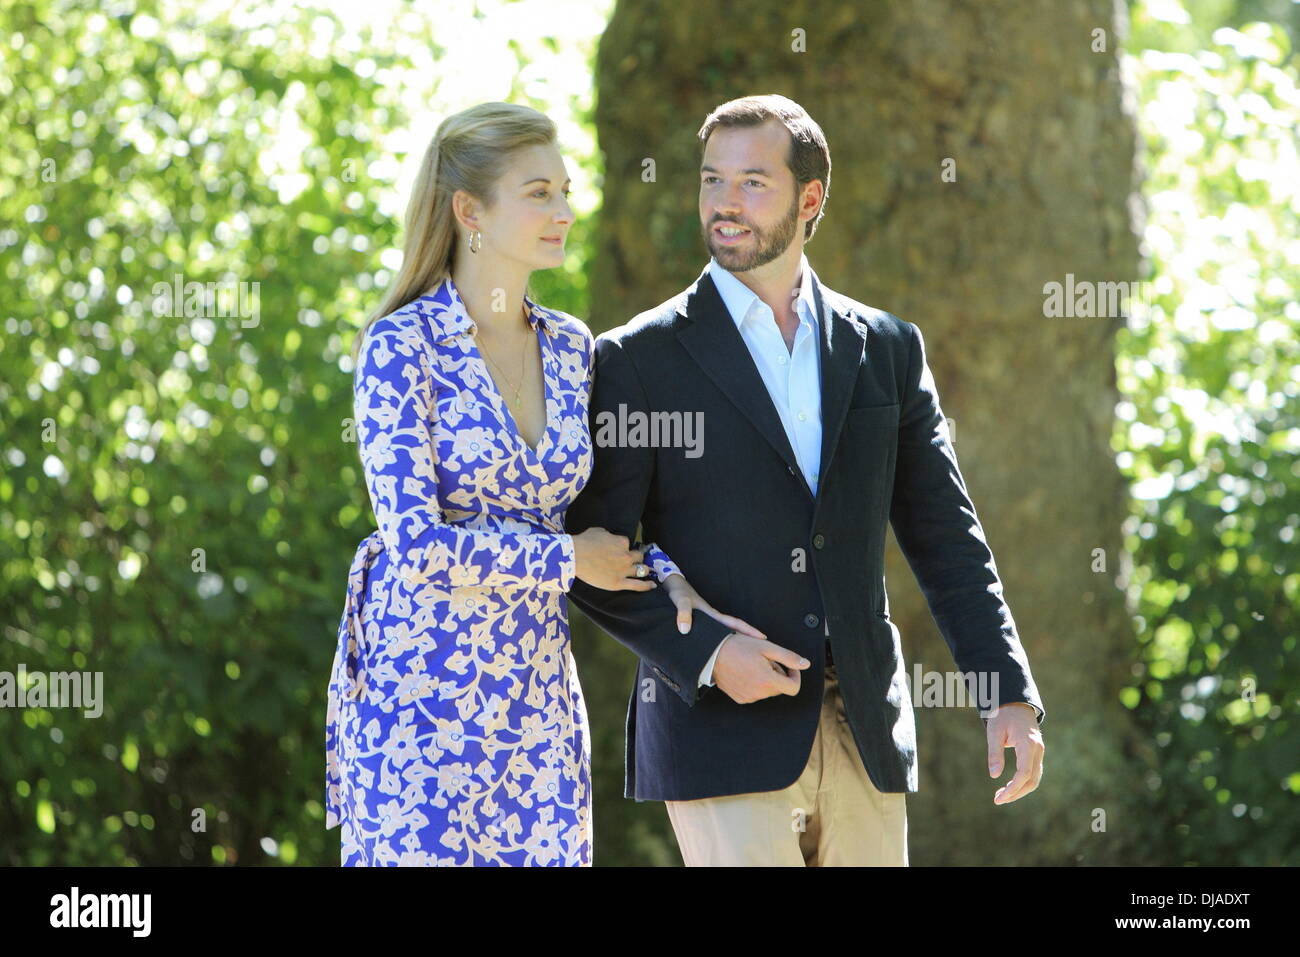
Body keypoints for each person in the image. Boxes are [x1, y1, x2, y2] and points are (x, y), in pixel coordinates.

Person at [565, 94, 1047, 866]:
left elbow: (946, 534)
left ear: (810, 197)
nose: (724, 204)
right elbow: (591, 558)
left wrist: (1006, 692)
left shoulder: (886, 348)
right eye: (711, 180)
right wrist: (712, 655)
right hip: (719, 730)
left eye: (753, 182)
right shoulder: (635, 359)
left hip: (865, 725)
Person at [324, 102, 760, 866]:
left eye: (565, 190)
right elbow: (415, 544)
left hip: (536, 703)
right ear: (470, 210)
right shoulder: (400, 346)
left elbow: (594, 522)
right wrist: (568, 562)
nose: (565, 210)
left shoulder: (571, 347)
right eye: (539, 194)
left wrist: (669, 577)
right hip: (419, 705)